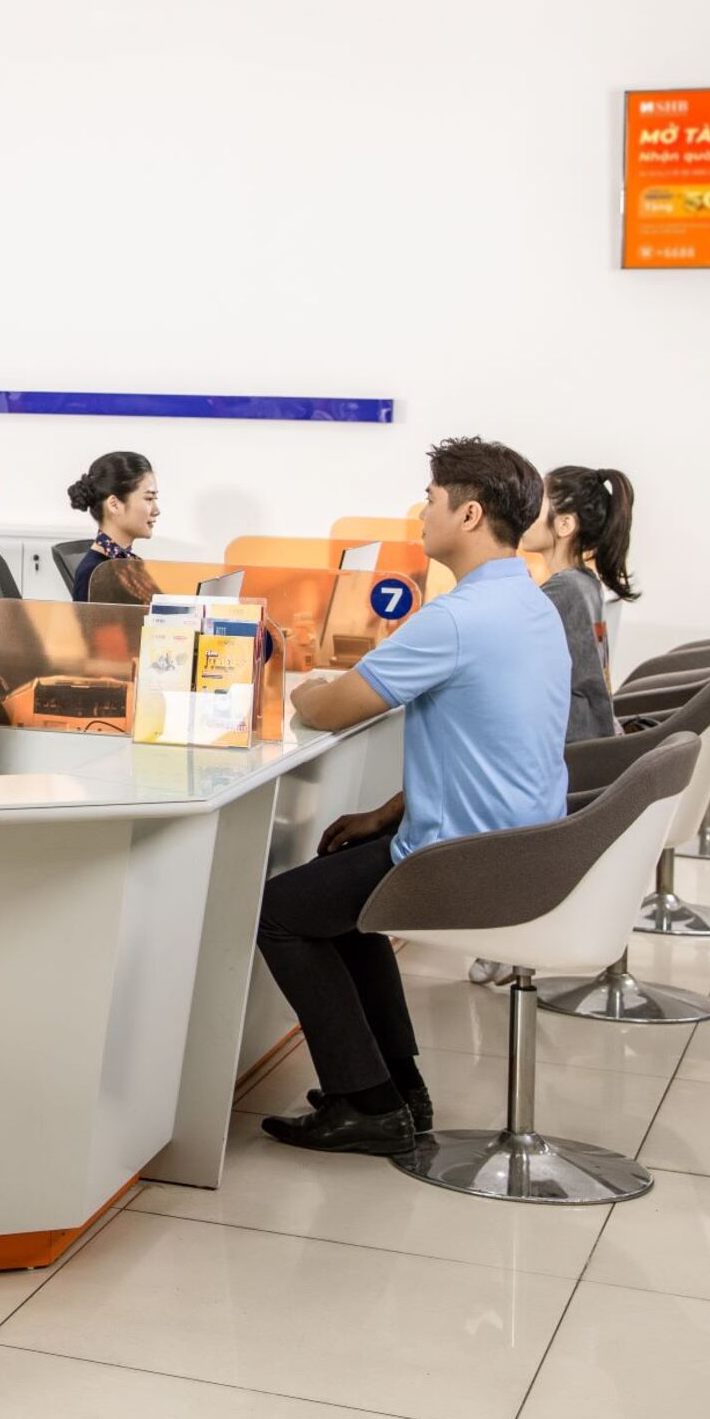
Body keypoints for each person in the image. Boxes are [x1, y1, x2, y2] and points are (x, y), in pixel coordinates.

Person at [257, 437, 570, 1156]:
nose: (420, 514)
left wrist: (302, 686)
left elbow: (328, 709)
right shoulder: (530, 603)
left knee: (280, 914)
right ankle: (397, 1088)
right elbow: (489, 742)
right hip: (525, 844)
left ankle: (367, 1103)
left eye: (429, 501)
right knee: (343, 897)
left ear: (469, 513)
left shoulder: (456, 619)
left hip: (467, 858)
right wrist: (387, 812)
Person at [528, 464, 638, 743]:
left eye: (535, 504)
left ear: (564, 524)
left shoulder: (563, 590)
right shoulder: (586, 583)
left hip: (574, 745)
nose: (524, 513)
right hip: (593, 733)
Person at [66, 450, 160, 603]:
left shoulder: (127, 565)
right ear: (114, 505)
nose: (156, 510)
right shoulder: (95, 574)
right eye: (149, 498)